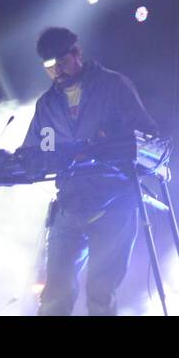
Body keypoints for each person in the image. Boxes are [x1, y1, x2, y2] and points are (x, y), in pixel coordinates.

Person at [18, 26, 157, 315]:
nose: (57, 70)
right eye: (49, 66)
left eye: (61, 61)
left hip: (114, 204)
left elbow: (149, 137)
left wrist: (106, 148)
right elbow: (32, 151)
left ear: (77, 53)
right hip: (70, 206)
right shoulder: (47, 104)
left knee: (100, 292)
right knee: (54, 293)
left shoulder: (113, 86)